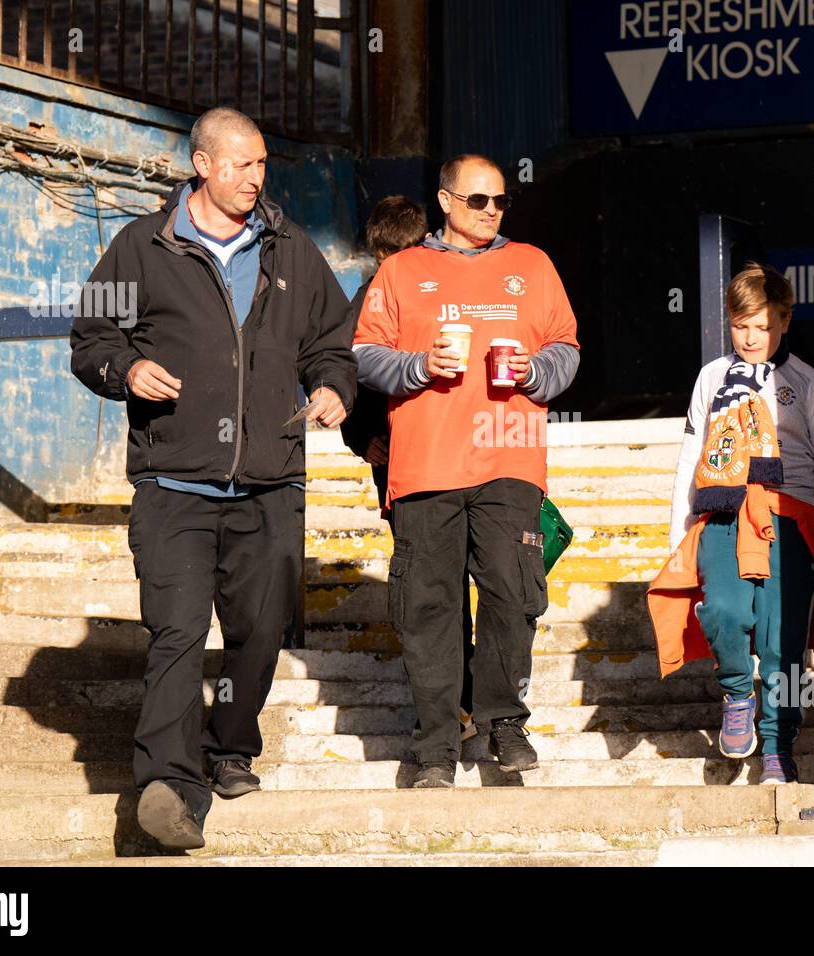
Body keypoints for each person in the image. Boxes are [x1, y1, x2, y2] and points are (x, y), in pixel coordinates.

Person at [69, 107, 356, 848]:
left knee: (261, 632)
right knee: (177, 632)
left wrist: (333, 387)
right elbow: (90, 338)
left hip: (270, 483)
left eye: (263, 165)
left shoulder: (291, 250)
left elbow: (333, 341)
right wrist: (125, 367)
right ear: (202, 164)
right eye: (241, 165)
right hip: (173, 483)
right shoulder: (140, 246)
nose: (255, 179)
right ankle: (168, 784)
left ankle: (230, 746)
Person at [352, 154, 580, 788]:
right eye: (478, 201)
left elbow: (567, 347)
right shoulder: (402, 270)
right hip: (426, 465)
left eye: (501, 201)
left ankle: (505, 721)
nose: (491, 212)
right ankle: (435, 748)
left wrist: (536, 372)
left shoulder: (532, 266)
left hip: (509, 453)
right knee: (429, 607)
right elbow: (365, 355)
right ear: (446, 202)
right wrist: (419, 366)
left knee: (512, 594)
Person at [651, 262, 814, 785]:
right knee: (723, 610)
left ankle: (779, 748)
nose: (751, 337)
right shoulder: (711, 377)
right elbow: (690, 454)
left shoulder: (808, 381)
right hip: (723, 512)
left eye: (763, 326)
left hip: (790, 515)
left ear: (784, 322)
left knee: (783, 638)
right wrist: (680, 536)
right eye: (741, 326)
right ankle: (738, 692)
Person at [340, 196, 476, 743]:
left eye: (404, 253)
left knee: (467, 580)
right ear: (374, 254)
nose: (394, 265)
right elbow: (344, 374)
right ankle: (444, 707)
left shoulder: (455, 288)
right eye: (384, 256)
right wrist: (360, 438)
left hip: (464, 459)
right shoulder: (363, 302)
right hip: (403, 466)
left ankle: (468, 701)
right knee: (429, 587)